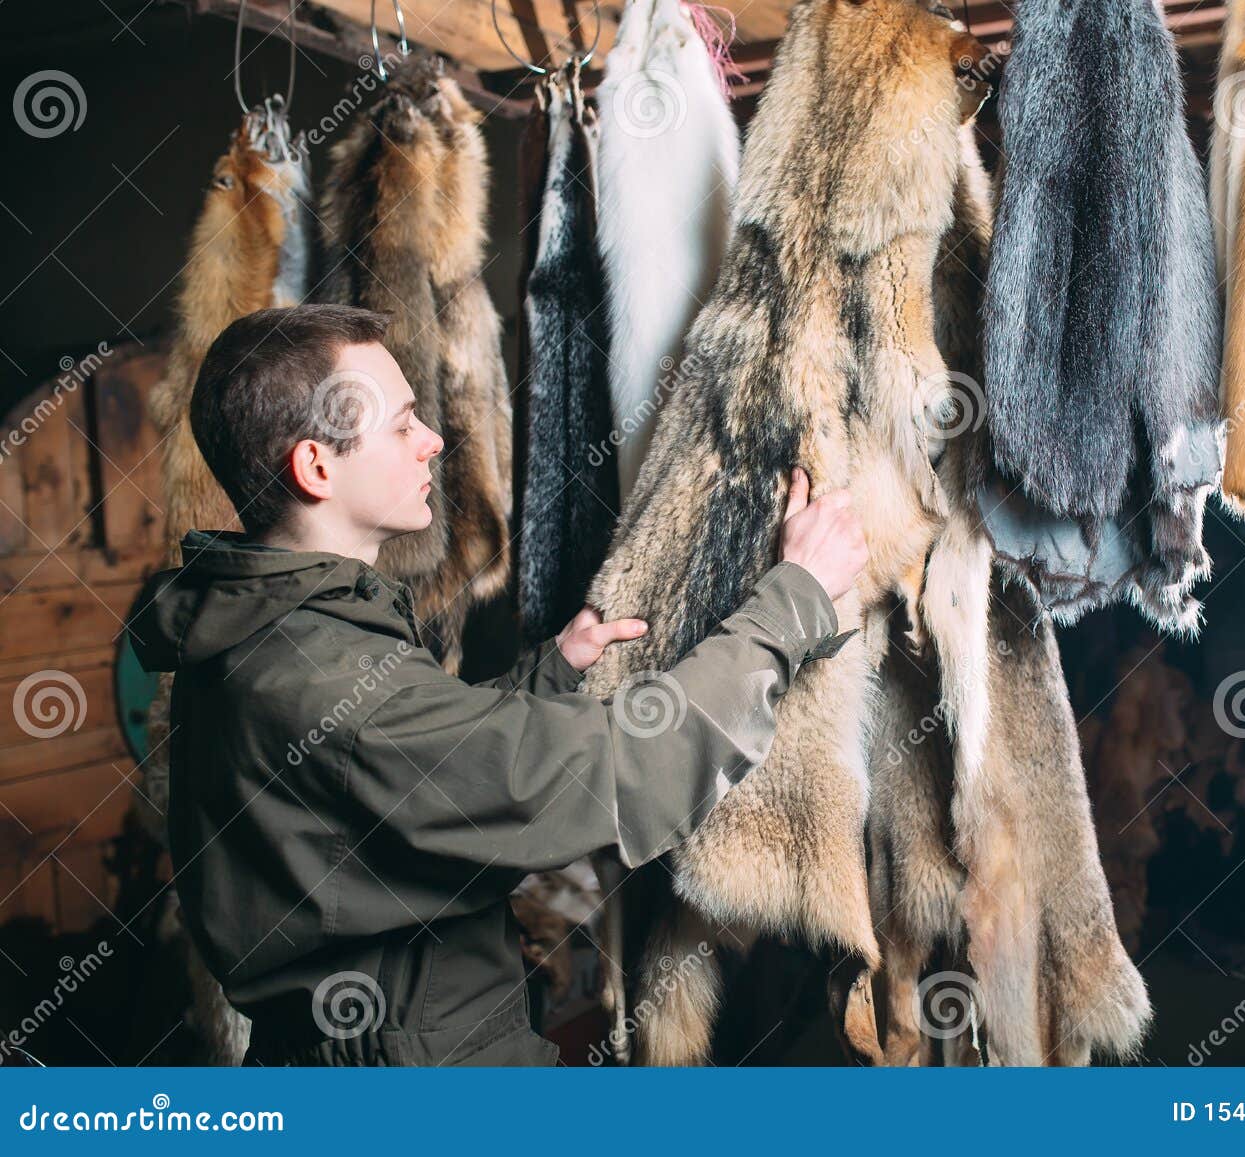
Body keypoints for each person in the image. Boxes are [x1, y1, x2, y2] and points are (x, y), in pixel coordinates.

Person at [127, 304, 868, 1066]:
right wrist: (795, 596)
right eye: (402, 424)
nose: (434, 441)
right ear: (317, 466)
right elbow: (627, 771)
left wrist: (554, 670)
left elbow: (413, 789)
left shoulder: (257, 626)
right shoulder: (328, 682)